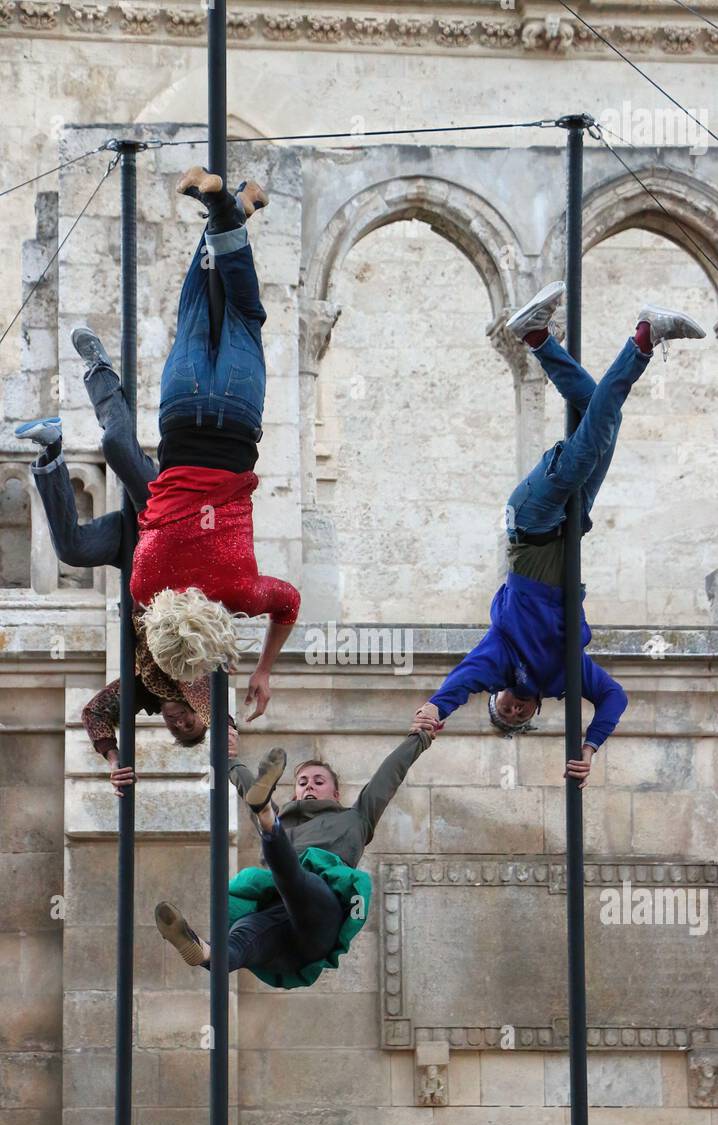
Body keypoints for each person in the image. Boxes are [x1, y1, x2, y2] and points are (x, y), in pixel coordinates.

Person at [15, 167, 300, 700]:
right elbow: (152, 546)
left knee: (243, 314)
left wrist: (263, 668)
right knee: (194, 307)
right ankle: (226, 208)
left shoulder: (239, 593)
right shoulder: (146, 583)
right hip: (182, 413)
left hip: (238, 417)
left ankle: (235, 207)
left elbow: (288, 602)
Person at [413, 282, 706, 788]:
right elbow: (615, 696)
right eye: (519, 716)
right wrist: (590, 744)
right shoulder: (563, 678)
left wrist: (434, 710)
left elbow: (461, 682)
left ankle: (643, 337)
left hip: (532, 523)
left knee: (595, 434)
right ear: (533, 713)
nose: (514, 707)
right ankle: (538, 337)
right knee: (600, 415)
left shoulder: (501, 658)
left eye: (503, 709)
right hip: (570, 524)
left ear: (497, 695)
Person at [153, 720, 436, 988]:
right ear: (295, 794)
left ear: (336, 794)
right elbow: (244, 787)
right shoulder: (287, 822)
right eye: (302, 782)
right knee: (243, 937)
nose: (309, 785)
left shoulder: (357, 817)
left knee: (295, 876)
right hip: (283, 927)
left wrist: (420, 738)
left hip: (320, 909)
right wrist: (229, 758)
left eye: (318, 781)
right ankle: (202, 951)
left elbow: (388, 776)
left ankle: (265, 819)